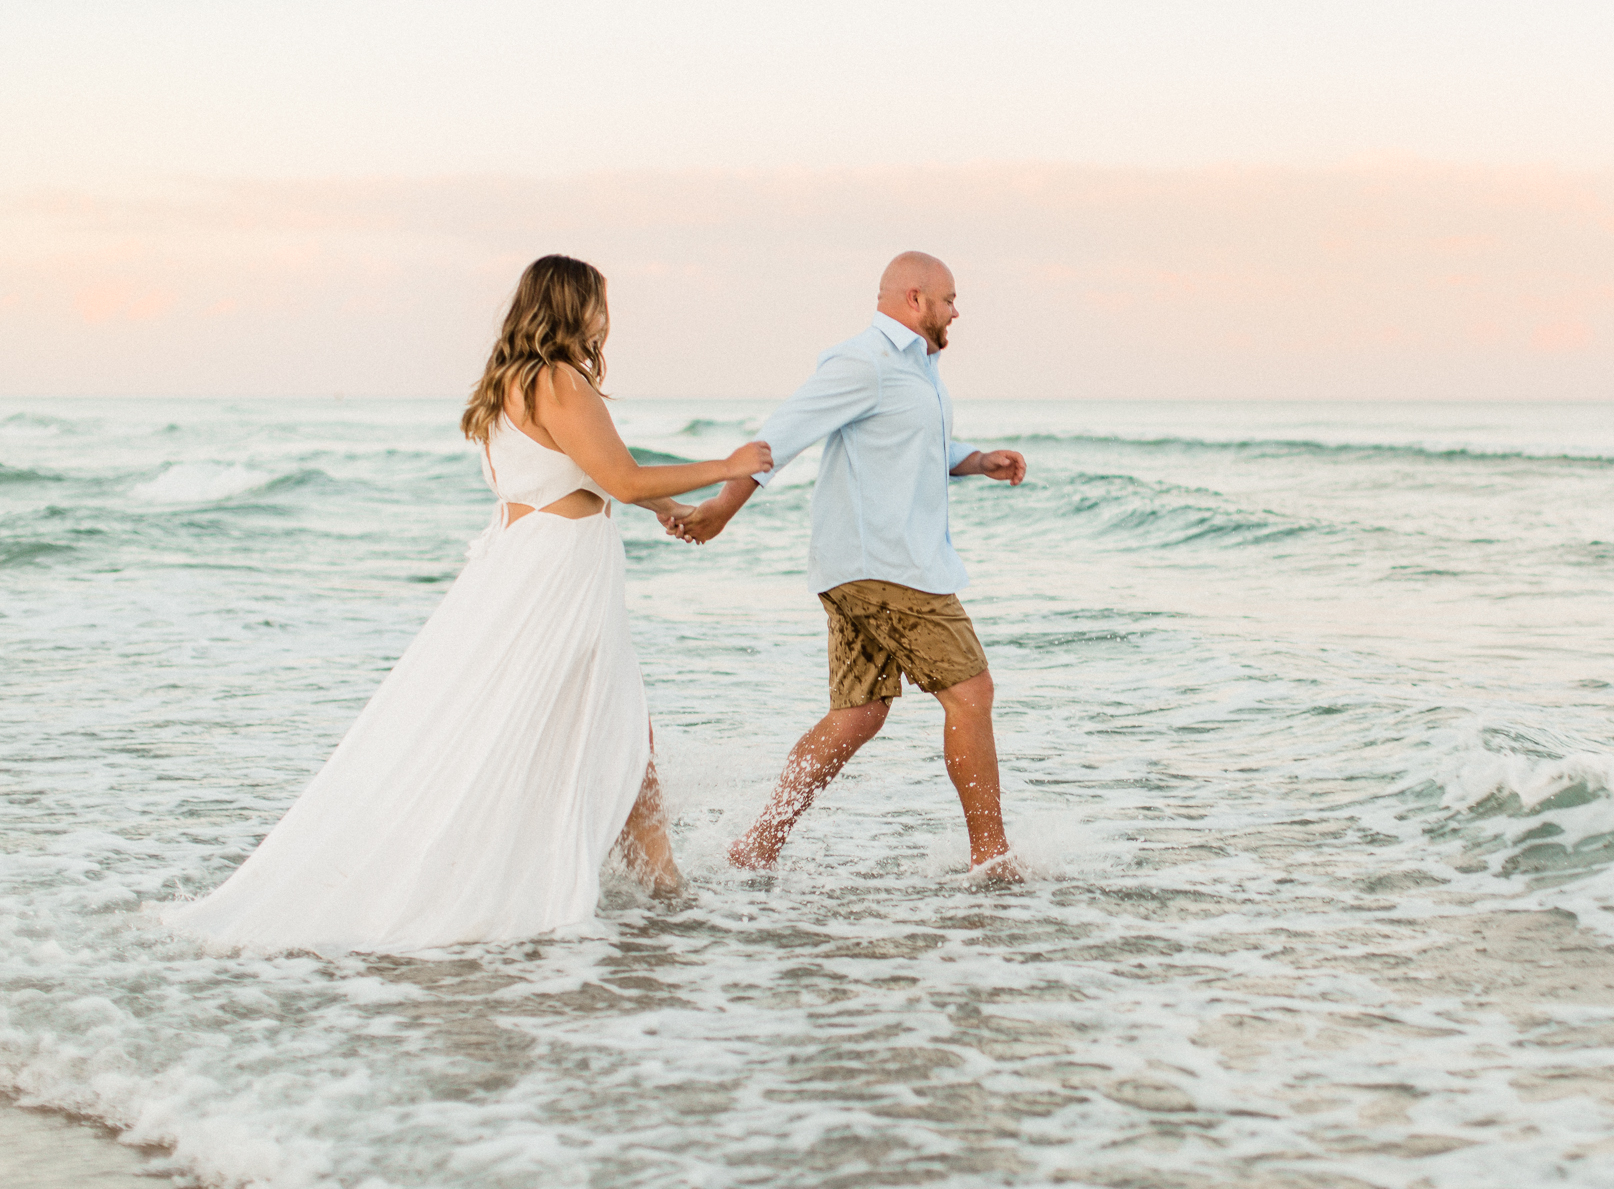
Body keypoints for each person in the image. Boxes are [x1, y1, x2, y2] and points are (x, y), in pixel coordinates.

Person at [162, 255, 772, 954]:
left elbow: (580, 470)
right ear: (577, 307)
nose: (609, 317)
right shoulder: (560, 378)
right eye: (601, 303)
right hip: (559, 576)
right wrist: (727, 465)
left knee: (619, 729)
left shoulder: (511, 380)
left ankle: (664, 891)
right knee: (599, 731)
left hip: (531, 563)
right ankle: (630, 892)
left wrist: (671, 506)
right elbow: (621, 479)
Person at [670, 251, 1027, 878]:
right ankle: (991, 860)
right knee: (971, 693)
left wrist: (974, 461)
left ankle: (756, 847)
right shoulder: (863, 362)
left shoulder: (916, 369)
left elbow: (908, 445)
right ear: (915, 299)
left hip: (866, 566)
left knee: (858, 713)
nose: (956, 310)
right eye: (949, 299)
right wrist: (723, 509)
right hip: (890, 566)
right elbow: (781, 435)